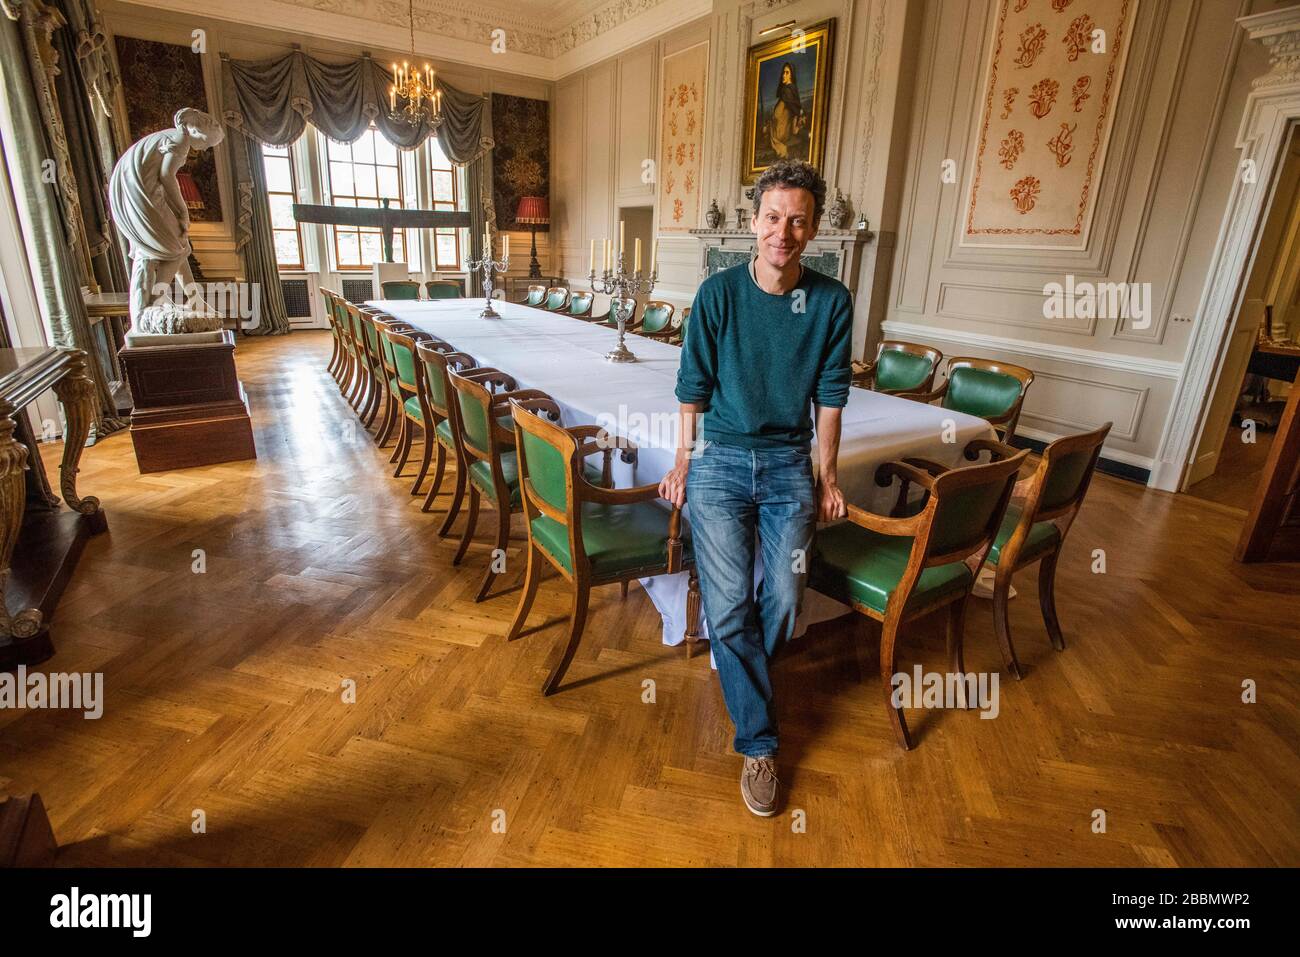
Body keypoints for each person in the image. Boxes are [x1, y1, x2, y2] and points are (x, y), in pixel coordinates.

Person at [659, 159, 852, 816]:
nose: (784, 231)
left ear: (815, 227)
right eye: (773, 217)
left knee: (788, 596)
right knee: (729, 604)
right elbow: (691, 390)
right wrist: (683, 460)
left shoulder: (830, 300)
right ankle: (760, 741)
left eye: (798, 219)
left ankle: (742, 673)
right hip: (718, 464)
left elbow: (830, 397)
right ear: (753, 222)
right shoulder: (717, 295)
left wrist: (829, 476)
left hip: (788, 465)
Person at [109, 107, 224, 325]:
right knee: (176, 249)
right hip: (146, 196)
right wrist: (182, 210)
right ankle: (154, 303)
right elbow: (167, 176)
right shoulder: (180, 140)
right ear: (199, 132)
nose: (206, 148)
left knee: (180, 246)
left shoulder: (169, 135)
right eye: (209, 143)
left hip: (138, 192)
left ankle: (194, 299)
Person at [768, 62, 806, 160]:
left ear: (791, 75)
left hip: (782, 131)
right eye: (783, 73)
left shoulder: (788, 90)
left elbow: (794, 107)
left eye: (787, 73)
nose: (783, 75)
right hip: (778, 127)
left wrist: (799, 114)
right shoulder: (786, 90)